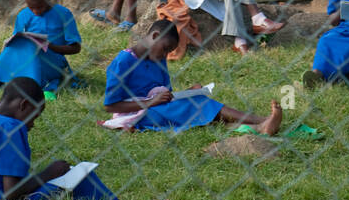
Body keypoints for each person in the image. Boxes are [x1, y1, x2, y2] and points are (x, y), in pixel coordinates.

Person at [0, 77, 181, 200]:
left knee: (66, 176)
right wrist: (50, 173)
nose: (33, 124)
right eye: (35, 116)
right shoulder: (11, 128)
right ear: (23, 106)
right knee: (78, 177)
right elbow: (11, 192)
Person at [103, 19, 283, 134]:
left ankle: (259, 125)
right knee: (197, 106)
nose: (166, 55)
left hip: (157, 108)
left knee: (196, 102)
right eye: (165, 49)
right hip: (137, 114)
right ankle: (260, 121)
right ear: (155, 36)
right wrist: (150, 103)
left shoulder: (158, 59)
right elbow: (110, 106)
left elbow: (165, 95)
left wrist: (188, 92)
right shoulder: (124, 61)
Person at [0, 0, 82, 91]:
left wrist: (51, 47)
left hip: (53, 60)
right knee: (14, 46)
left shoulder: (64, 14)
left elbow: (76, 48)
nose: (35, 11)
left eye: (40, 7)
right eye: (31, 7)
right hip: (27, 57)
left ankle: (30, 84)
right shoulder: (23, 15)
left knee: (32, 48)